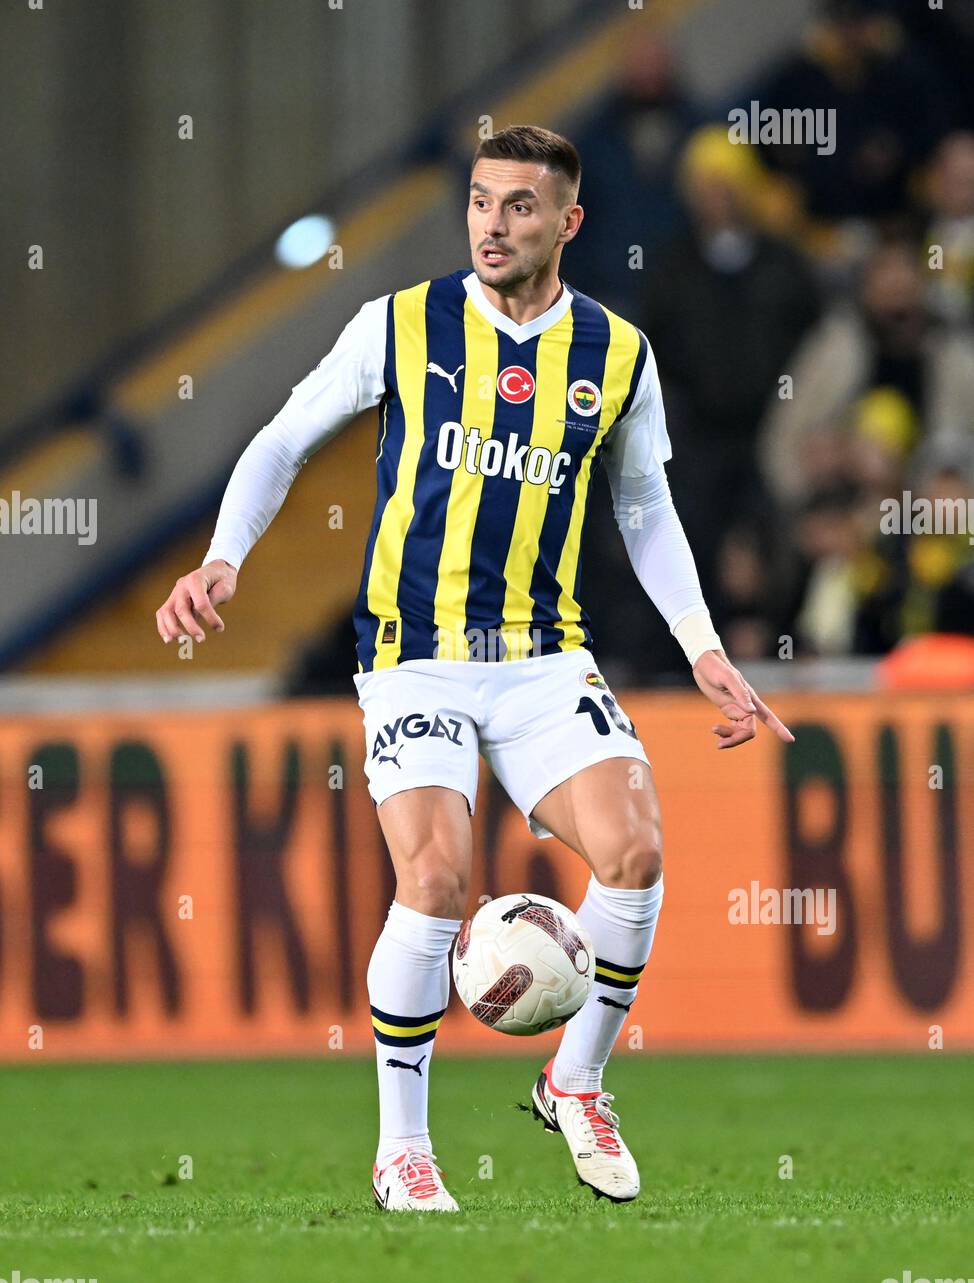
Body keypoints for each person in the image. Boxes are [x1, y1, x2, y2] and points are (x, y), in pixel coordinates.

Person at [155, 125, 794, 1212]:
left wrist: (703, 649)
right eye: (481, 203)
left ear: (567, 223)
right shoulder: (400, 325)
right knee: (438, 880)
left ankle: (574, 1080)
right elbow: (281, 438)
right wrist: (223, 559)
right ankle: (402, 1148)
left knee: (634, 851)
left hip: (544, 657)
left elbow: (643, 509)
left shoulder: (615, 355)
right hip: (414, 659)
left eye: (519, 207)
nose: (493, 225)